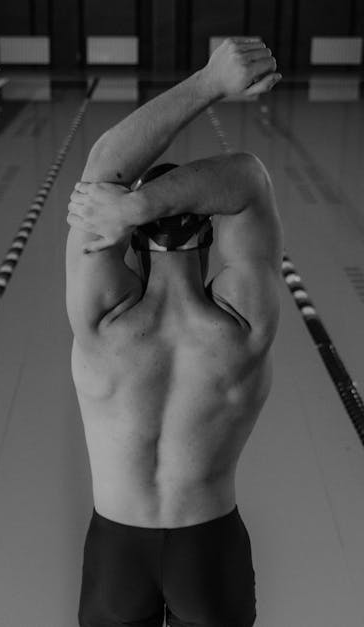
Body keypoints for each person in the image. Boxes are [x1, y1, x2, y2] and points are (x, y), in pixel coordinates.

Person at [65, 37, 283, 627]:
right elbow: (248, 180)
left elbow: (107, 160)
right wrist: (144, 207)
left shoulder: (103, 325)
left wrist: (208, 80)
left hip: (117, 553)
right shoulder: (242, 328)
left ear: (131, 241)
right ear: (212, 233)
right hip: (208, 550)